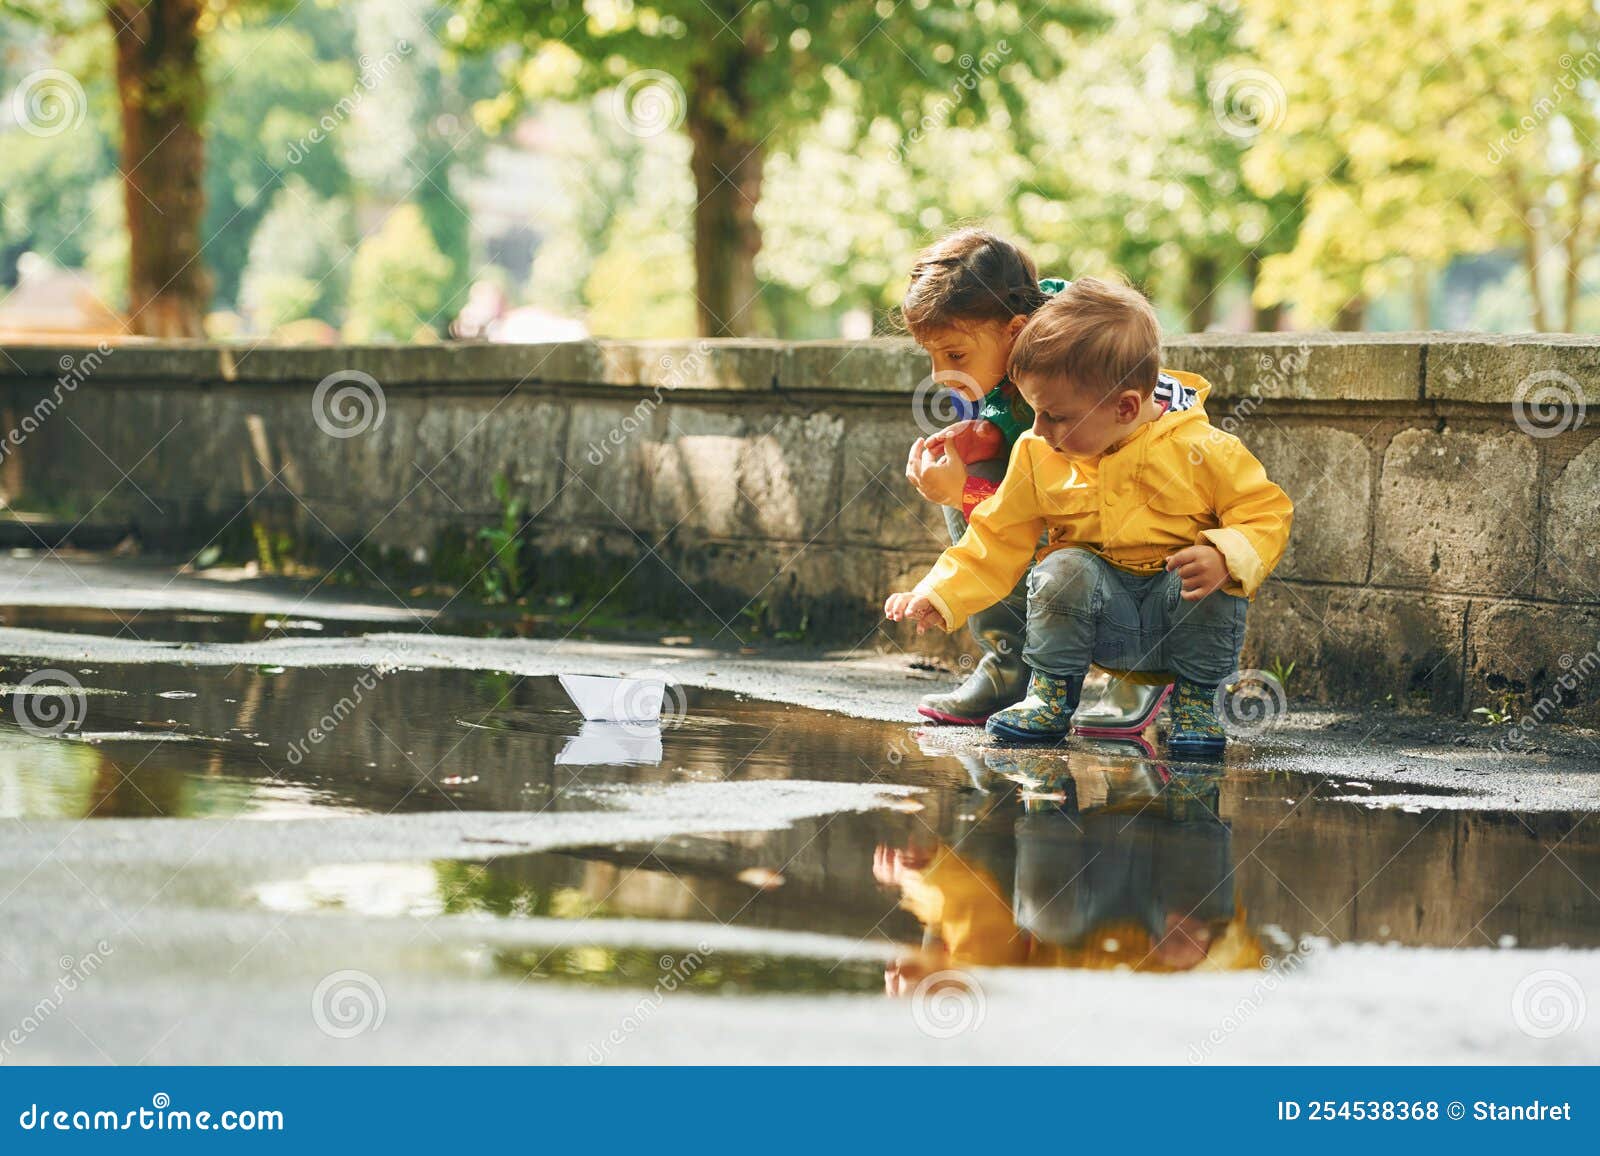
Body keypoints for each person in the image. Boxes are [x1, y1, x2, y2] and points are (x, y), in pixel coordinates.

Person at [886, 277, 1293, 756]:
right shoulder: (1040, 452)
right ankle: (1051, 693)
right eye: (1034, 411)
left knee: (1215, 575)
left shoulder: (1202, 449)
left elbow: (1266, 512)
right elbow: (996, 535)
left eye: (1054, 415)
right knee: (1063, 567)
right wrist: (940, 593)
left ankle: (1196, 703)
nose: (1037, 429)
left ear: (1125, 407)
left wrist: (1227, 556)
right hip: (1098, 626)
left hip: (1173, 622)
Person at [898, 228, 1066, 725]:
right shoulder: (1009, 357)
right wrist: (980, 435)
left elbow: (1064, 507)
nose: (941, 375)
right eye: (932, 356)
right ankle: (1008, 669)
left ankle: (1054, 674)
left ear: (1014, 329)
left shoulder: (1072, 369)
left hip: (1113, 546)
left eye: (954, 356)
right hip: (1054, 529)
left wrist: (965, 492)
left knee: (969, 482)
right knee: (970, 464)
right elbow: (1011, 430)